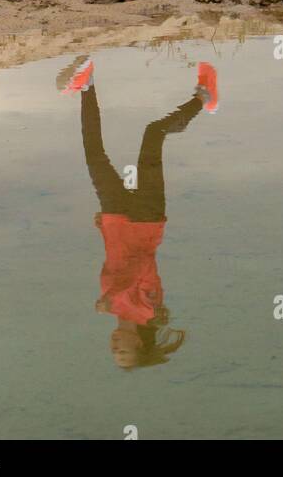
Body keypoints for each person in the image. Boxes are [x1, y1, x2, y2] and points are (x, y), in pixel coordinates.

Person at [58, 55, 218, 368]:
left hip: (116, 220)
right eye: (123, 351)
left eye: (114, 352)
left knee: (94, 157)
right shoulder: (149, 310)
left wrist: (103, 228)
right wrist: (114, 295)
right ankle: (203, 97)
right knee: (153, 134)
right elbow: (141, 263)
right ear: (139, 344)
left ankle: (87, 84)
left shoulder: (112, 306)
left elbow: (115, 257)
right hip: (146, 218)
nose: (115, 347)